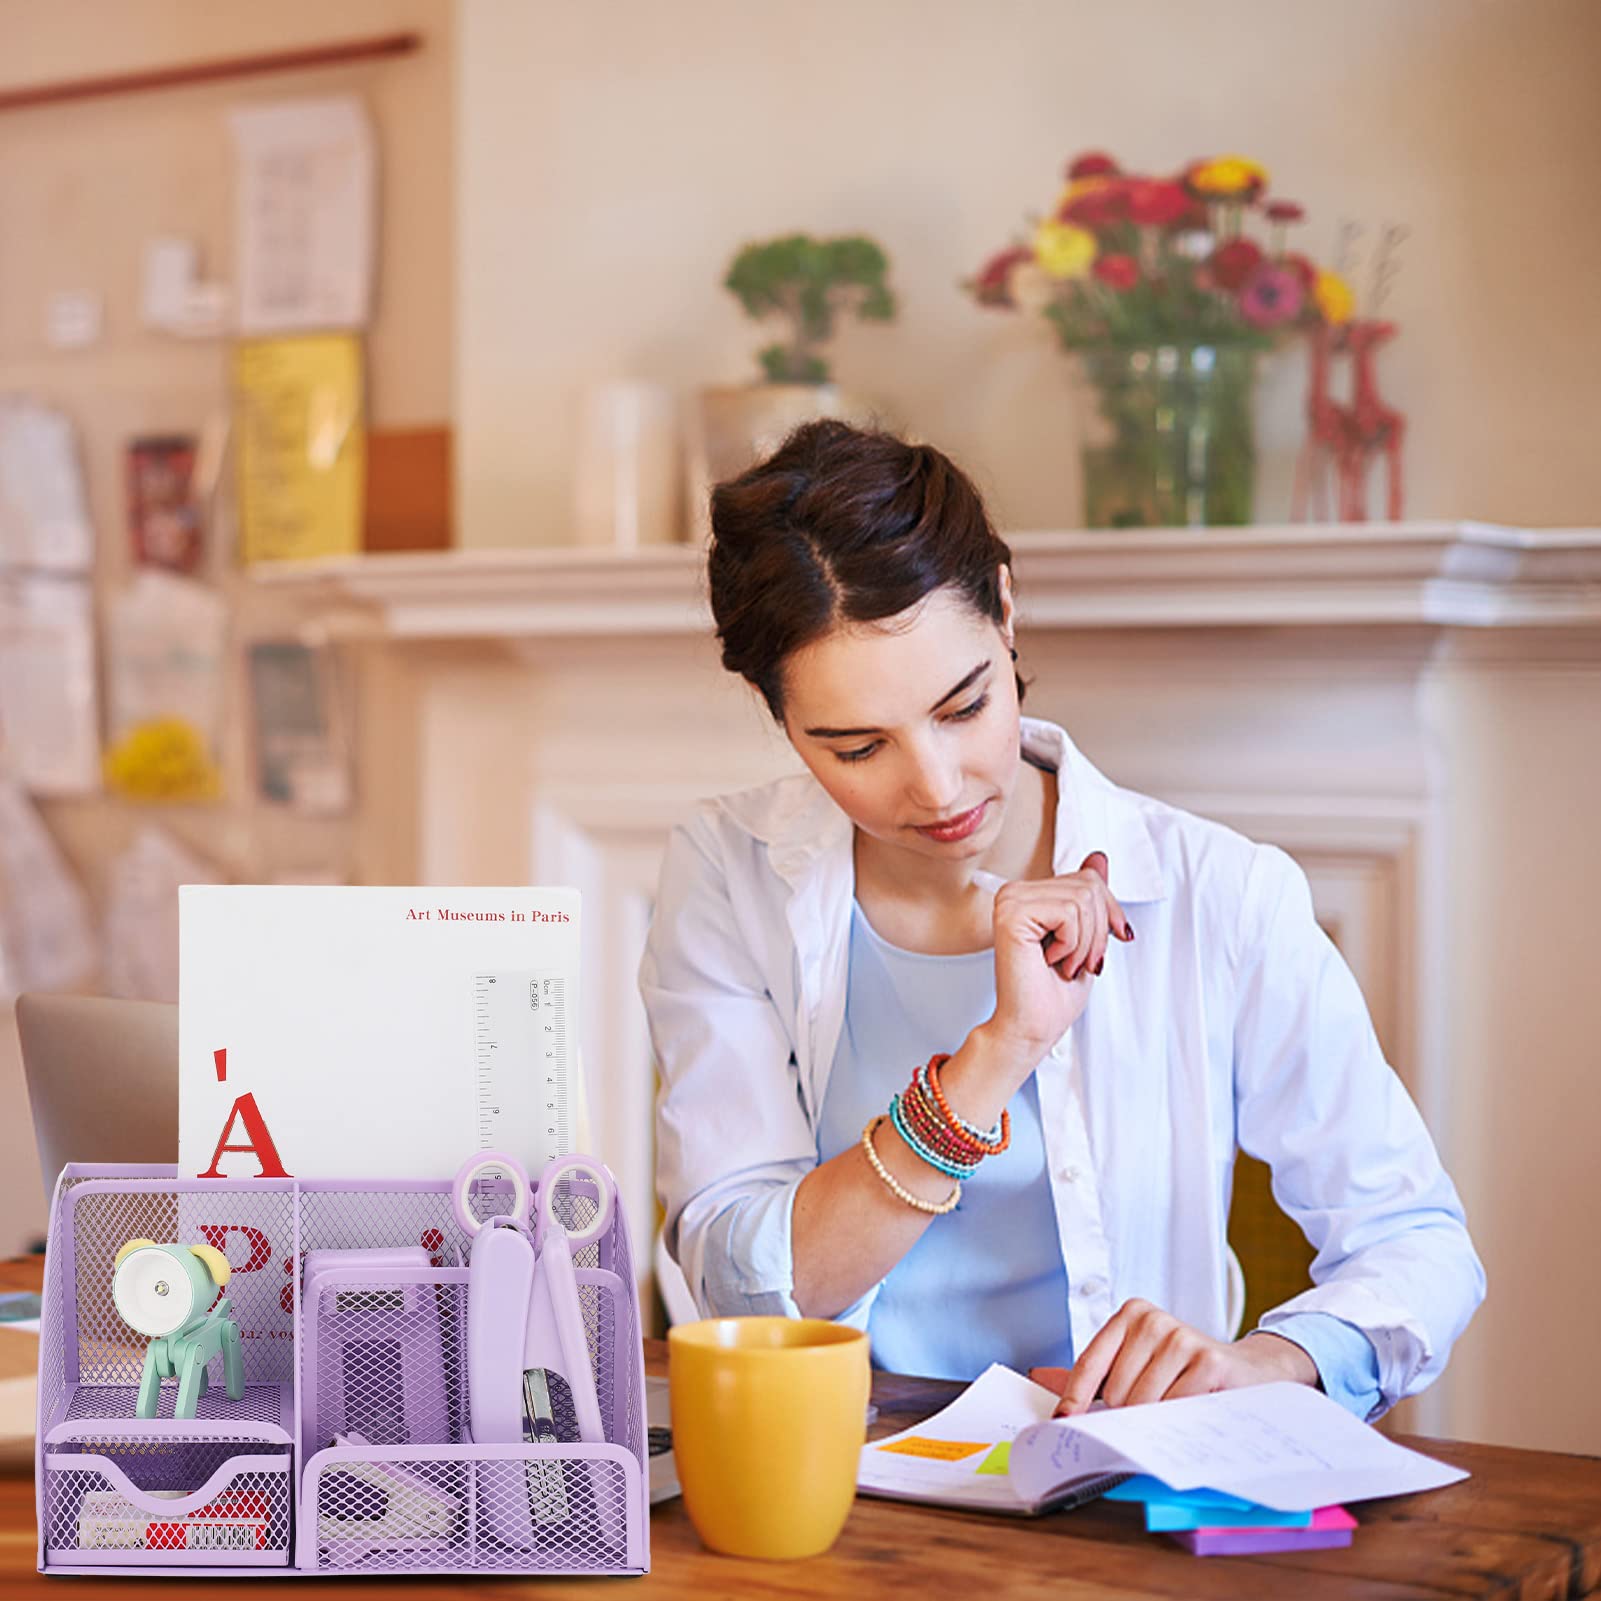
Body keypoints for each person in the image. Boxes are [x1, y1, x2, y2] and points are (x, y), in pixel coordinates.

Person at [640, 420, 1483, 1419]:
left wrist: (1264, 1362)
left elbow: (1415, 1242)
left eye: (963, 706)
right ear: (777, 713)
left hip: (1119, 1492)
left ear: (1004, 606)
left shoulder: (1217, 891)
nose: (937, 786)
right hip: (828, 1477)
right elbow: (740, 1286)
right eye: (857, 747)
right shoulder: (729, 872)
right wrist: (998, 1052)